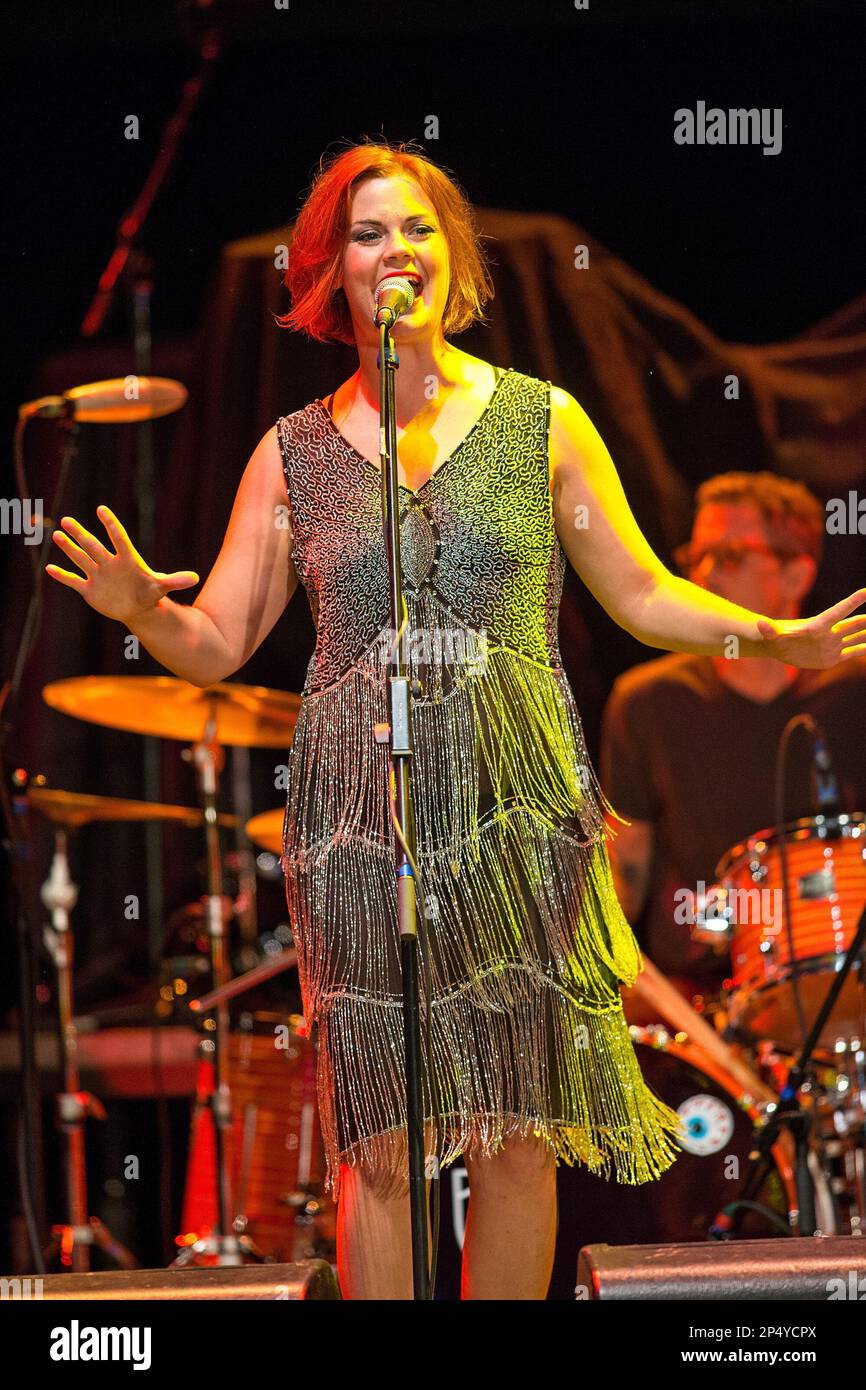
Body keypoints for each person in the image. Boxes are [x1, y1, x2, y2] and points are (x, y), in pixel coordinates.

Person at [45, 141, 866, 1300]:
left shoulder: (543, 421)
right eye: (370, 234)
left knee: (513, 1131)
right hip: (354, 815)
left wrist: (761, 633)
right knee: (375, 1139)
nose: (398, 253)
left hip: (513, 801)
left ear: (452, 259)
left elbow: (637, 593)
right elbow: (217, 639)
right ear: (334, 271)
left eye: (418, 230)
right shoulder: (289, 454)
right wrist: (143, 616)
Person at [601, 472, 866, 1023]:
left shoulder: (855, 689)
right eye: (694, 557)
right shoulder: (647, 701)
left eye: (728, 555)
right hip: (701, 1002)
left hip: (844, 978)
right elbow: (621, 881)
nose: (701, 575)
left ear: (796, 573)